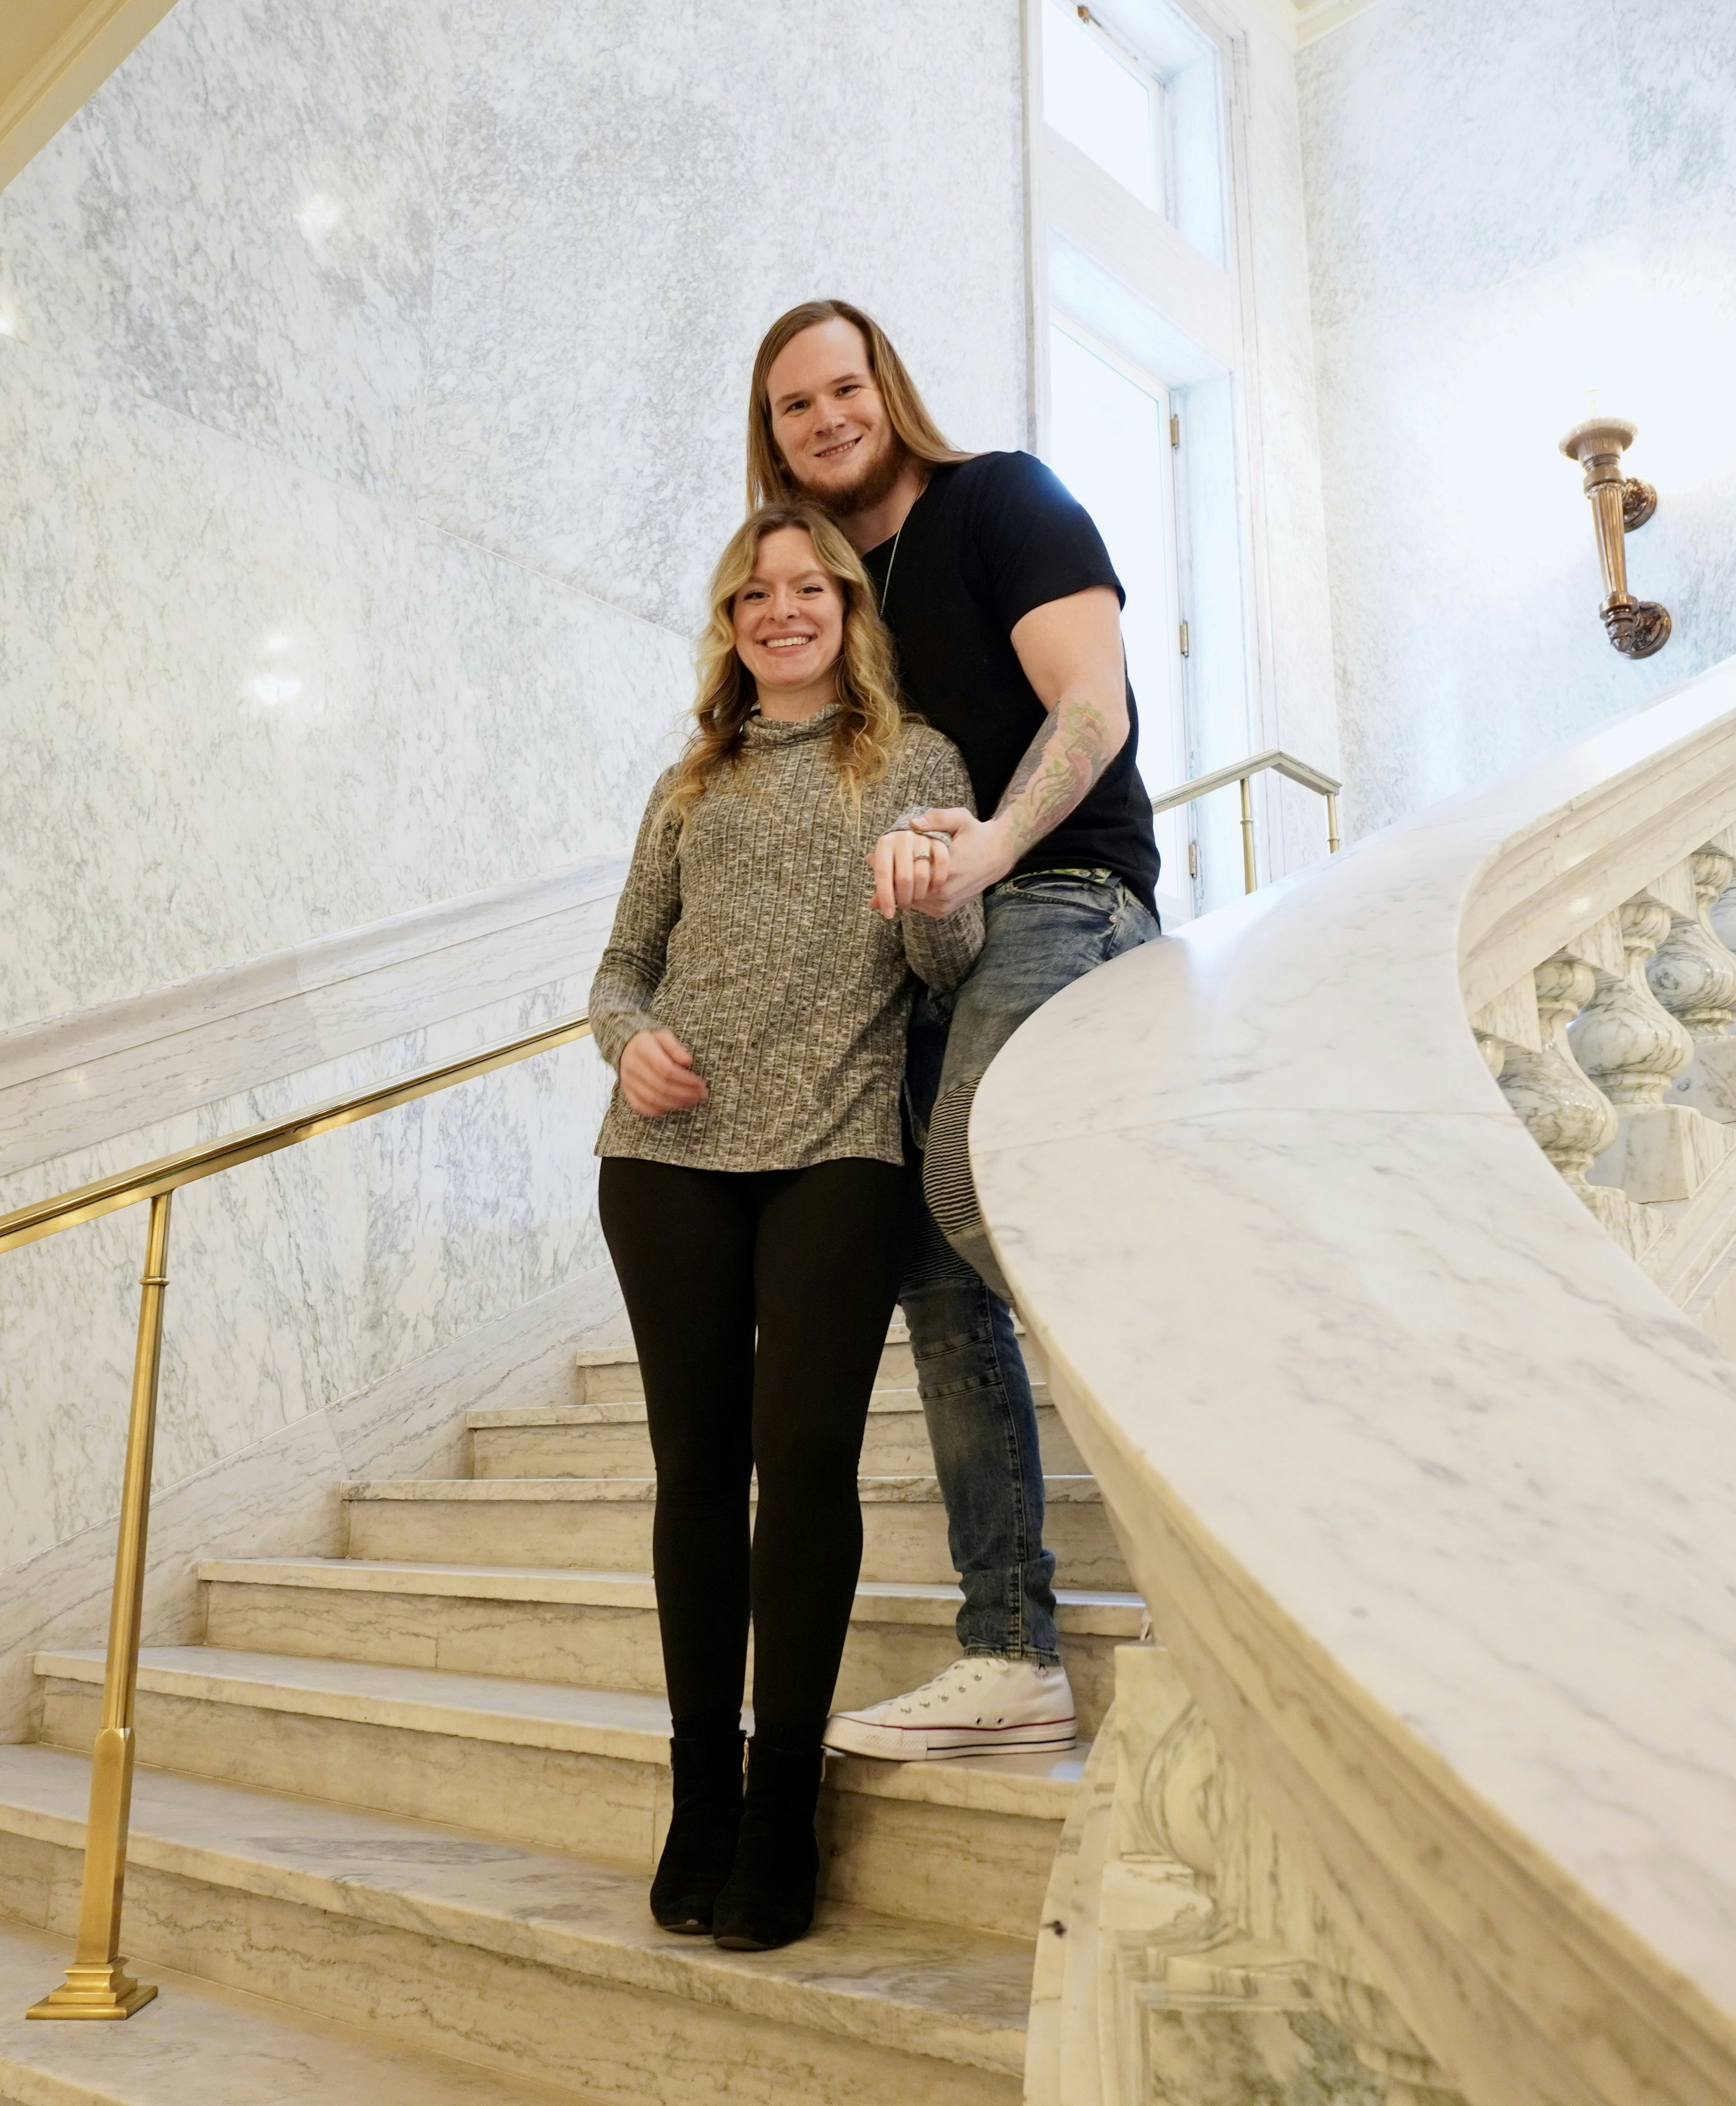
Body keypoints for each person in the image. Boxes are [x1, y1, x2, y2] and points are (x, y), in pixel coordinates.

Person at [740, 300, 1162, 1763]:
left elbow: (1093, 711)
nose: (826, 419)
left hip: (1063, 890)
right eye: (795, 407)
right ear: (773, 434)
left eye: (844, 388)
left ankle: (1213, 1402)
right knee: (931, 1264)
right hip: (934, 951)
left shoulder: (1006, 499)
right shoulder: (835, 598)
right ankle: (1009, 1654)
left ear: (887, 389)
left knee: (969, 1178)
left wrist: (987, 847)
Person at [591, 500, 982, 1952]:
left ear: (847, 612)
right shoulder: (692, 781)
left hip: (837, 1141)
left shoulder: (918, 760)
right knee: (694, 1467)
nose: (783, 610)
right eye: (755, 595)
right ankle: (700, 1793)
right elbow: (623, 965)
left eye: (810, 587)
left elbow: (946, 967)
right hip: (668, 1153)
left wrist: (935, 893)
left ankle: (782, 1802)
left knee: (804, 1456)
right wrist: (626, 1041)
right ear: (732, 623)